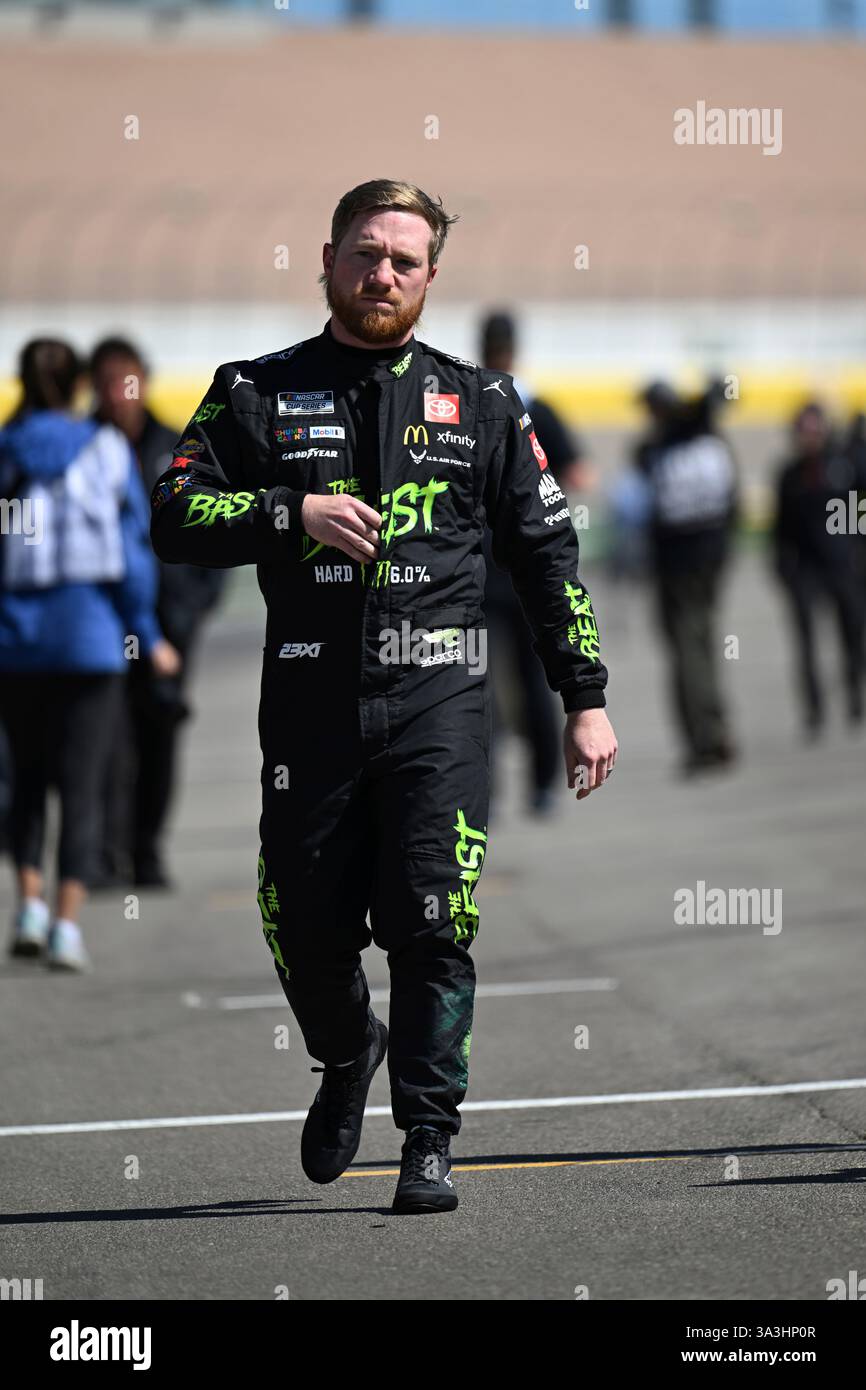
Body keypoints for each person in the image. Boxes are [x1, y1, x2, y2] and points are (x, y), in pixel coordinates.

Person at [149, 179, 617, 1215]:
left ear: (430, 279)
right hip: (309, 708)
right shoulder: (254, 391)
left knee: (432, 920)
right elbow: (172, 512)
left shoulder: (484, 402)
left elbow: (548, 558)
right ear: (327, 261)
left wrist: (581, 695)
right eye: (365, 254)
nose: (382, 275)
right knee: (302, 923)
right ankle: (342, 1047)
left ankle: (429, 1137)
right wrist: (288, 512)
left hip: (439, 704)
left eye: (403, 261)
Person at [0, 338, 175, 970]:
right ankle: (68, 926)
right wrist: (148, 637)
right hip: (91, 640)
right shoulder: (104, 451)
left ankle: (28, 903)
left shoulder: (5, 452)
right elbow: (132, 558)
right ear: (77, 386)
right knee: (82, 785)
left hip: (15, 645)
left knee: (21, 781)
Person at [90, 337, 226, 888]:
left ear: (143, 381)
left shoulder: (176, 448)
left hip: (170, 627)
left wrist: (192, 610)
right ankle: (102, 854)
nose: (118, 395)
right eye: (105, 382)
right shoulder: (83, 449)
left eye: (126, 381)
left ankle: (146, 851)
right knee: (106, 742)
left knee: (158, 737)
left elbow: (214, 525)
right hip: (103, 624)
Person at [479, 311, 591, 815]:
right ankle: (543, 785)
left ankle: (485, 791)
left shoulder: (470, 400)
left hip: (478, 572)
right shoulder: (537, 406)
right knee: (533, 681)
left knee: (475, 686)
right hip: (526, 564)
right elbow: (581, 474)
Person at [636, 380, 738, 774]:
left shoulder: (661, 447)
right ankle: (713, 730)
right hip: (709, 558)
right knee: (703, 643)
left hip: (680, 566)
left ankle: (706, 737)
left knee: (688, 650)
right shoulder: (705, 439)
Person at [773, 402, 865, 732]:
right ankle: (814, 709)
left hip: (843, 565)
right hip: (805, 569)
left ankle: (855, 694)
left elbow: (860, 513)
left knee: (852, 634)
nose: (809, 437)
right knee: (806, 643)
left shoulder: (844, 467)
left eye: (814, 430)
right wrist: (784, 569)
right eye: (803, 431)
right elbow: (780, 529)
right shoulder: (789, 474)